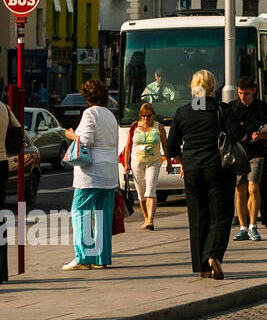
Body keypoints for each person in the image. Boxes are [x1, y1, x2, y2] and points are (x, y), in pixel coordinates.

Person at [168, 70, 241, 278]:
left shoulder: (183, 111)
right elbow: (237, 135)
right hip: (217, 167)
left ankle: (201, 266)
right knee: (222, 214)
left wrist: (184, 161)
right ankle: (214, 255)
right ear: (212, 87)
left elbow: (171, 146)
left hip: (191, 169)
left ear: (193, 87)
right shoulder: (221, 109)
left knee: (197, 216)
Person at [62, 78, 120, 270]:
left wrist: (71, 135)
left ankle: (84, 257)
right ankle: (101, 258)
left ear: (87, 97)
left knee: (80, 212)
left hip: (90, 173)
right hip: (109, 173)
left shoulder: (90, 113)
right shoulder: (111, 116)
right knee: (103, 216)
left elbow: (85, 141)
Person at [229, 76, 267, 241]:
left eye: (246, 94)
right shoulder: (233, 108)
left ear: (254, 92)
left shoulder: (262, 107)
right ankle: (242, 227)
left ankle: (253, 225)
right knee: (240, 190)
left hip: (257, 153)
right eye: (240, 93)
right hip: (239, 154)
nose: (243, 97)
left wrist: (262, 135)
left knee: (253, 188)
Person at [123, 102, 167, 231]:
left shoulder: (159, 127)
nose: (146, 118)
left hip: (154, 161)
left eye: (148, 115)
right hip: (137, 162)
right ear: (140, 116)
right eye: (143, 116)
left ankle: (150, 221)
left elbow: (165, 145)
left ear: (153, 115)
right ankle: (146, 219)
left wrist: (169, 162)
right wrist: (126, 164)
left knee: (150, 189)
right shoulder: (134, 127)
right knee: (141, 194)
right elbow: (128, 148)